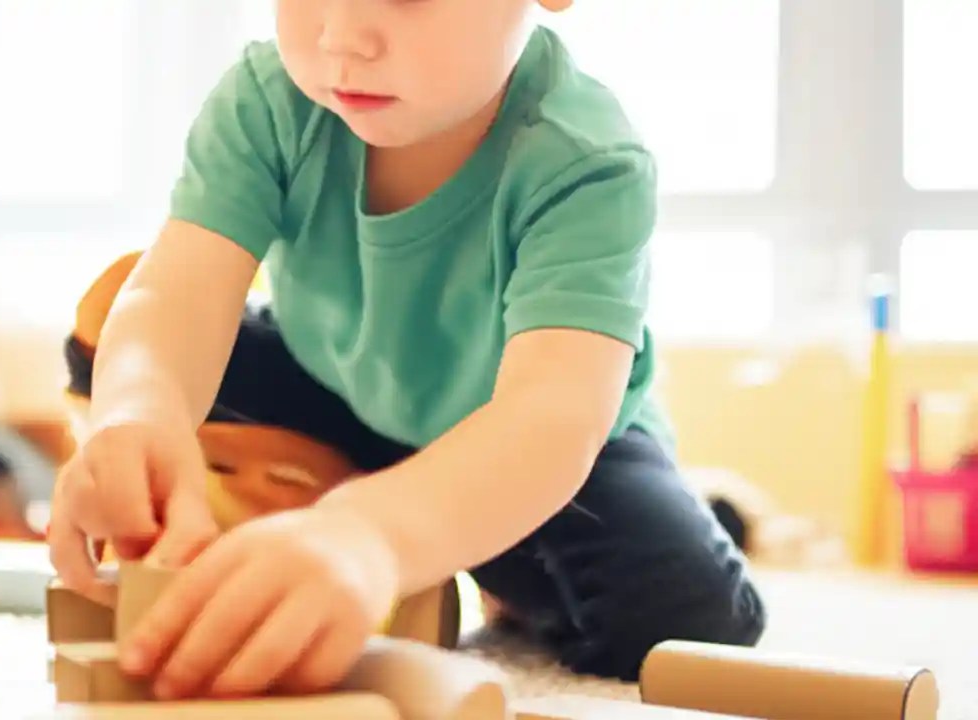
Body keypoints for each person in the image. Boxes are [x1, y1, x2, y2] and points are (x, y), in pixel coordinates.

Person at [49, 0, 766, 701]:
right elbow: (179, 293)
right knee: (118, 336)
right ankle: (352, 498)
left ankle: (410, 519)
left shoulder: (586, 160)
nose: (342, 36)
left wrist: (370, 536)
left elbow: (554, 417)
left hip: (531, 435)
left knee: (685, 616)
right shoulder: (268, 99)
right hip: (332, 376)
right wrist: (138, 417)